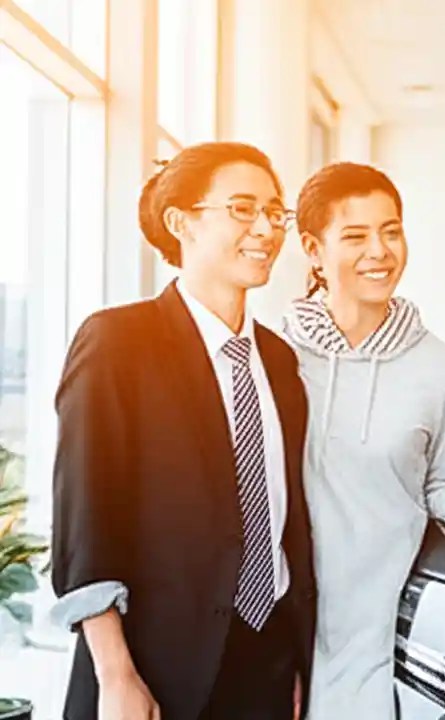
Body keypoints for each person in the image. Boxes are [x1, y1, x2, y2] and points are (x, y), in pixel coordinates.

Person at [50, 141, 318, 719]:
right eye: (242, 209)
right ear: (182, 223)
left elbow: (286, 516)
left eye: (275, 213)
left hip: (265, 660)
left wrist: (294, 660)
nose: (266, 229)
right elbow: (86, 519)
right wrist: (115, 676)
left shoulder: (277, 359)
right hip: (153, 665)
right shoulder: (119, 343)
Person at [281, 161, 445, 718]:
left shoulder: (443, 370)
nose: (379, 251)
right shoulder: (274, 356)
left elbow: (442, 494)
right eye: (356, 235)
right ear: (313, 250)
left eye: (391, 231)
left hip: (378, 641)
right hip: (278, 630)